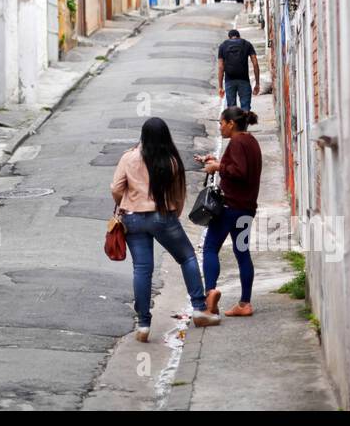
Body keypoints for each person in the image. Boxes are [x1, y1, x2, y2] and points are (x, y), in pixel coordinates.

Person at [111, 117, 219, 341]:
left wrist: (127, 201)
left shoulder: (129, 158)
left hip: (132, 218)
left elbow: (116, 188)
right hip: (163, 216)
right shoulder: (171, 161)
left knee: (142, 269)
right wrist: (173, 215)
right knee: (187, 257)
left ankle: (143, 325)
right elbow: (179, 194)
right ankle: (199, 309)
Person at [197, 106, 262, 317]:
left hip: (228, 209)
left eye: (221, 123)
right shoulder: (251, 141)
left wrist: (217, 168)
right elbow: (238, 167)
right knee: (242, 254)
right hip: (246, 209)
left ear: (231, 124)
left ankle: (210, 296)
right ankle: (245, 303)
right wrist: (216, 162)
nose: (220, 127)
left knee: (210, 249)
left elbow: (239, 172)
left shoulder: (236, 142)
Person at [218, 28, 259, 111]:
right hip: (244, 79)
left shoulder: (223, 46)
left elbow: (221, 67)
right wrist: (257, 83)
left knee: (232, 109)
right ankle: (244, 123)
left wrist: (220, 87)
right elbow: (255, 64)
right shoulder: (247, 44)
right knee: (245, 108)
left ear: (229, 37)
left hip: (229, 80)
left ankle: (235, 123)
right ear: (239, 36)